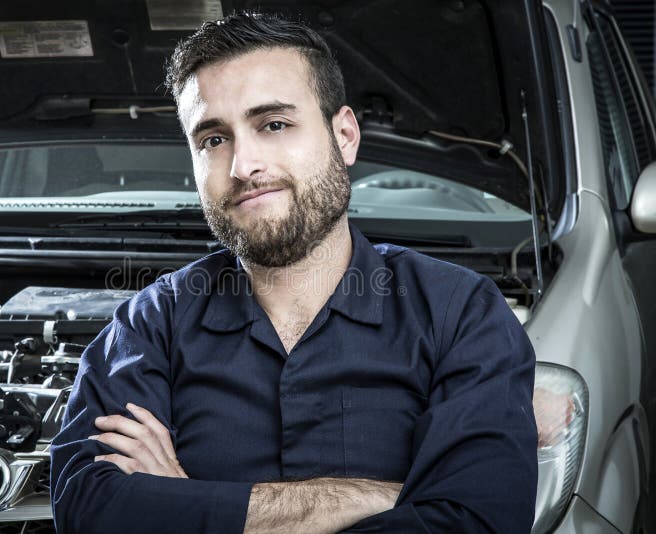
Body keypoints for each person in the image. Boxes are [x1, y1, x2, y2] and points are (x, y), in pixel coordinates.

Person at [50, 12, 538, 533]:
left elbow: (476, 521)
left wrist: (187, 504)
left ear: (345, 135)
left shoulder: (459, 313)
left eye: (274, 124)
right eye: (213, 139)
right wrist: (371, 499)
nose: (242, 165)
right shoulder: (152, 324)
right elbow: (90, 510)